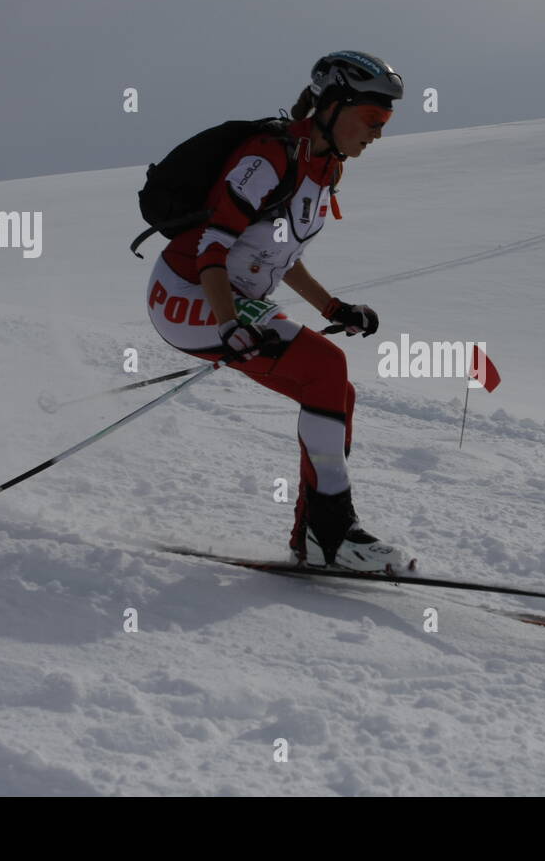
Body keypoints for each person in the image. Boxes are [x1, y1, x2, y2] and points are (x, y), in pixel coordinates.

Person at [144, 51, 413, 572]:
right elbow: (212, 249)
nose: (380, 132)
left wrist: (334, 306)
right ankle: (331, 536)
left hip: (233, 298)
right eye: (374, 118)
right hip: (185, 289)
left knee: (335, 388)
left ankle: (313, 536)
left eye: (388, 121)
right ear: (333, 106)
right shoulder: (269, 156)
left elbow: (280, 254)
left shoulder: (326, 166)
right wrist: (230, 322)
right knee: (324, 366)